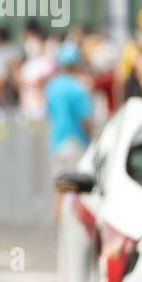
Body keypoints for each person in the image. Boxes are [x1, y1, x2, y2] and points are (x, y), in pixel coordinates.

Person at [46, 41, 94, 185]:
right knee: (74, 190)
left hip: (56, 142)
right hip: (75, 142)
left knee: (60, 188)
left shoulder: (52, 86)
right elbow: (85, 119)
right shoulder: (77, 87)